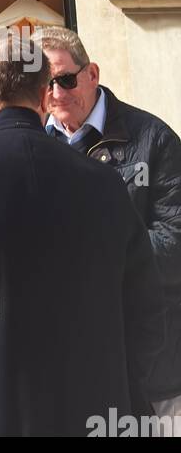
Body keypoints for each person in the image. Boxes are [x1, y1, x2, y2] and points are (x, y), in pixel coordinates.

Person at [0, 30, 164, 436]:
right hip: (94, 409)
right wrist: (119, 382)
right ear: (44, 95)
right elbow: (145, 306)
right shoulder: (104, 181)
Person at [38, 24, 181, 424]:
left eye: (66, 80)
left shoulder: (154, 140)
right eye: (46, 83)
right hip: (69, 367)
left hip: (152, 368)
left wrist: (93, 255)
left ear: (92, 74)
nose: (56, 93)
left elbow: (175, 245)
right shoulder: (35, 147)